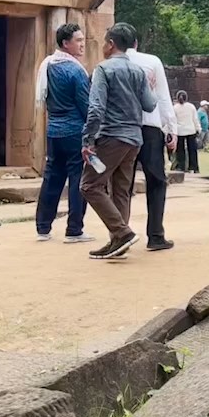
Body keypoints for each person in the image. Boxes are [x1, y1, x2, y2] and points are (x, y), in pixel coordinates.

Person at [80, 23, 156, 260]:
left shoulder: (104, 69)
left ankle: (121, 232)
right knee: (120, 190)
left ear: (111, 44)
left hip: (111, 136)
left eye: (104, 42)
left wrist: (87, 139)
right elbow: (150, 105)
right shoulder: (137, 71)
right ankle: (118, 239)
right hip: (134, 138)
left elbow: (96, 108)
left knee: (89, 185)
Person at [33, 22, 93, 243]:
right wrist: (94, 133)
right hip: (74, 131)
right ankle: (74, 229)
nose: (82, 45)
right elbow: (86, 106)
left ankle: (42, 227)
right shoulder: (75, 70)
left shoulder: (48, 65)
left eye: (82, 40)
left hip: (53, 130)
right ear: (65, 43)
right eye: (78, 41)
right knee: (78, 179)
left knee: (52, 178)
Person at [125, 32, 177, 252]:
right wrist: (171, 128)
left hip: (122, 128)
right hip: (150, 127)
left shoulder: (107, 66)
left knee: (121, 184)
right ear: (136, 42)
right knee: (156, 181)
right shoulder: (152, 61)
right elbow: (163, 97)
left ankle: (120, 233)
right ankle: (155, 235)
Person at [173, 91, 202, 173]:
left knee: (180, 151)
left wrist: (172, 131)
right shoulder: (191, 107)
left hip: (180, 131)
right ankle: (194, 167)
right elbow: (195, 119)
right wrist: (198, 129)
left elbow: (173, 120)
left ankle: (181, 167)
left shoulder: (175, 108)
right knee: (192, 150)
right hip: (191, 130)